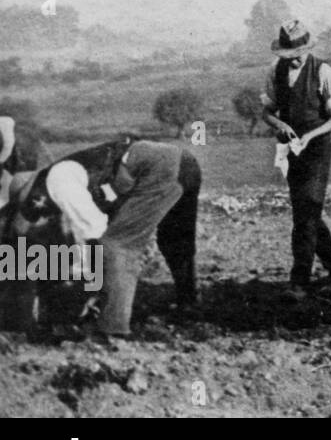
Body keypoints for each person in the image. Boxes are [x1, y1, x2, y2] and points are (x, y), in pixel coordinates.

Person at [7, 137, 199, 338]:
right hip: (184, 161)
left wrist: (87, 283)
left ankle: (112, 331)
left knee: (117, 245)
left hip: (157, 168)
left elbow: (95, 229)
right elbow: (22, 228)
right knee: (175, 240)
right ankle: (189, 303)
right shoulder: (60, 179)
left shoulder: (58, 181)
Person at [260, 19, 331, 298]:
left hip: (317, 148)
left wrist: (309, 136)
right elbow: (268, 111)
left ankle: (299, 282)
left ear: (307, 49)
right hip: (291, 151)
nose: (294, 59)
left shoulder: (324, 72)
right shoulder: (275, 71)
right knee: (306, 212)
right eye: (289, 55)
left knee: (306, 213)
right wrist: (280, 126)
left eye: (297, 54)